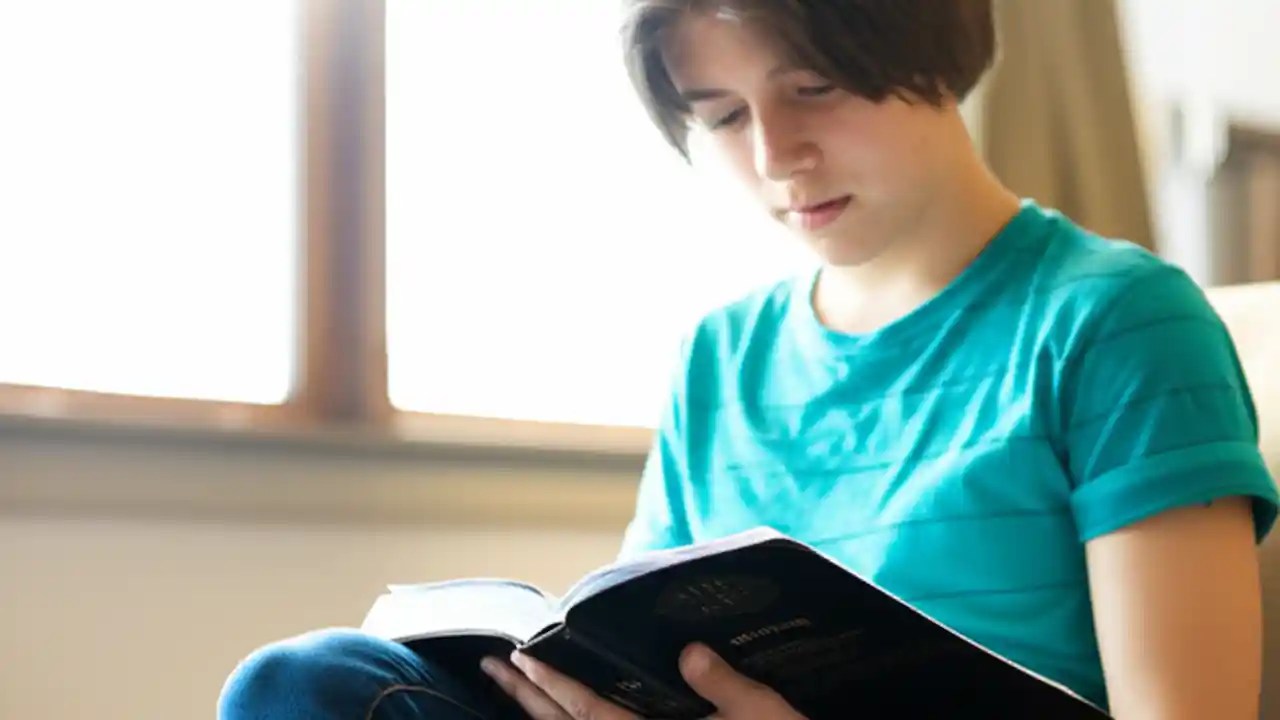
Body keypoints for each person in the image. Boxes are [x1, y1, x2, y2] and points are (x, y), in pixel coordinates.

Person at [218, 1, 1280, 718]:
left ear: (930, 53)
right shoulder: (721, 356)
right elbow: (634, 644)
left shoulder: (1116, 321)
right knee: (311, 682)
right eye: (719, 117)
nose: (774, 158)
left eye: (812, 88)